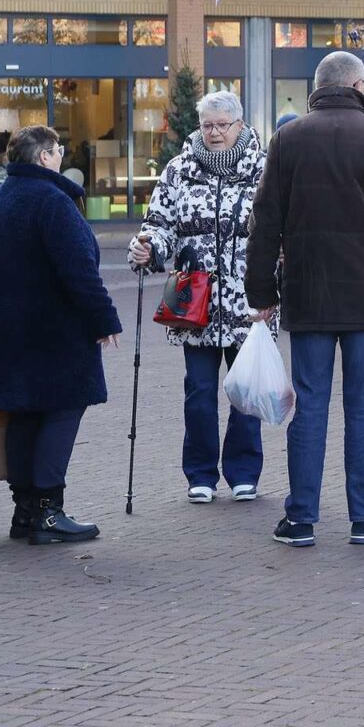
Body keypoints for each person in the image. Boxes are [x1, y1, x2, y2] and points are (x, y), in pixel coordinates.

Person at [246, 51, 364, 549]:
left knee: (310, 407)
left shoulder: (288, 139)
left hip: (309, 294)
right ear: (360, 86)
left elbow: (265, 224)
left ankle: (300, 518)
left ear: (318, 87)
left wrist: (260, 292)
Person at [0, 125, 120, 545]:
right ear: (44, 157)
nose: (61, 158)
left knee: (23, 413)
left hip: (3, 327)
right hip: (53, 330)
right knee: (63, 407)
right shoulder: (55, 203)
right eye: (58, 150)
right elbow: (79, 273)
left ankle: (24, 512)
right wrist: (104, 320)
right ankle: (48, 511)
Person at [128, 90, 267, 504]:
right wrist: (149, 246)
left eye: (222, 125)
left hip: (249, 301)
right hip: (196, 304)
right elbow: (160, 222)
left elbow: (285, 227)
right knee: (200, 393)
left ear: (240, 125)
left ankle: (244, 472)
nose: (214, 133)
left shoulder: (265, 168)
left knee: (246, 393)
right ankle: (201, 474)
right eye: (207, 124)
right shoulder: (179, 169)